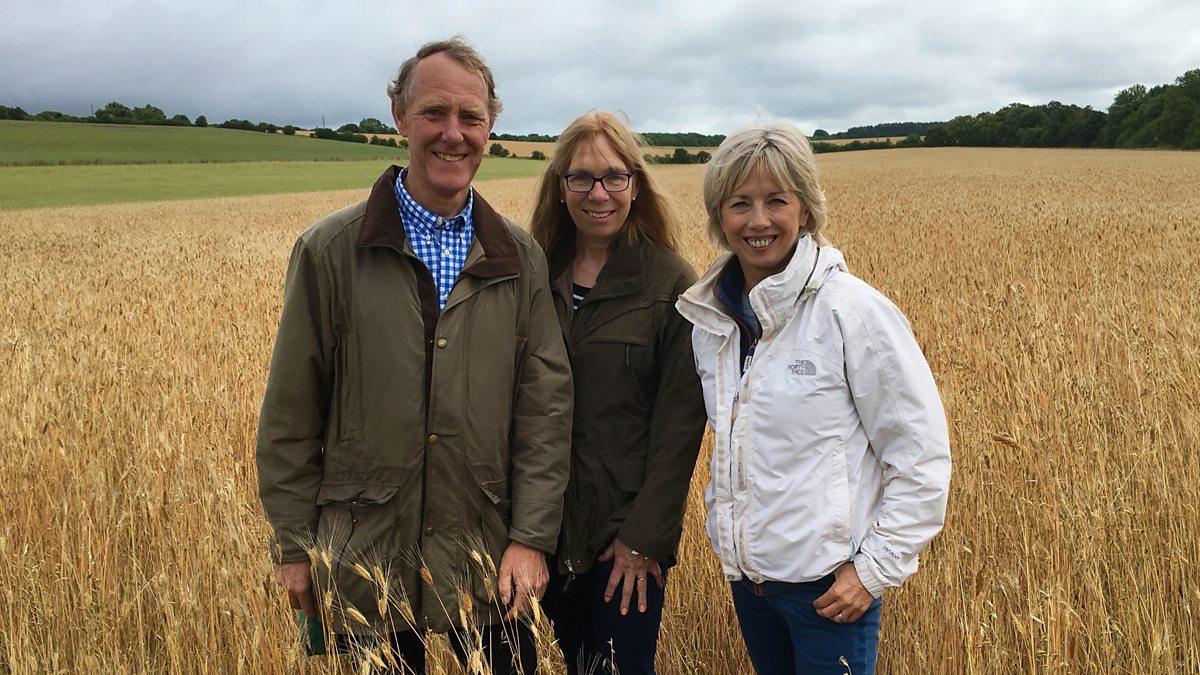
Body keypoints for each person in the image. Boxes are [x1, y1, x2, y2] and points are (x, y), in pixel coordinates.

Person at [255, 36, 573, 675]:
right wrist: (294, 544)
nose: (453, 134)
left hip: (487, 556)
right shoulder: (329, 252)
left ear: (490, 128)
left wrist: (533, 538)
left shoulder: (518, 256)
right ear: (399, 116)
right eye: (435, 113)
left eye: (471, 118)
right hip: (362, 558)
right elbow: (292, 410)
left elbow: (546, 410)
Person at [674, 123, 952, 675]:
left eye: (776, 201)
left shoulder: (851, 312)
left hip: (830, 594)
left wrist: (871, 573)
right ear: (719, 216)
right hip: (752, 588)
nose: (758, 221)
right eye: (740, 204)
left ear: (805, 209)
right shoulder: (711, 322)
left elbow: (920, 457)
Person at [529, 111, 708, 675]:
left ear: (636, 183)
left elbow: (680, 426)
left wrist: (643, 540)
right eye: (580, 177)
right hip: (540, 529)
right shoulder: (532, 274)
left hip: (620, 541)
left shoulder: (671, 285)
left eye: (613, 176)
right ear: (560, 188)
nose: (597, 192)